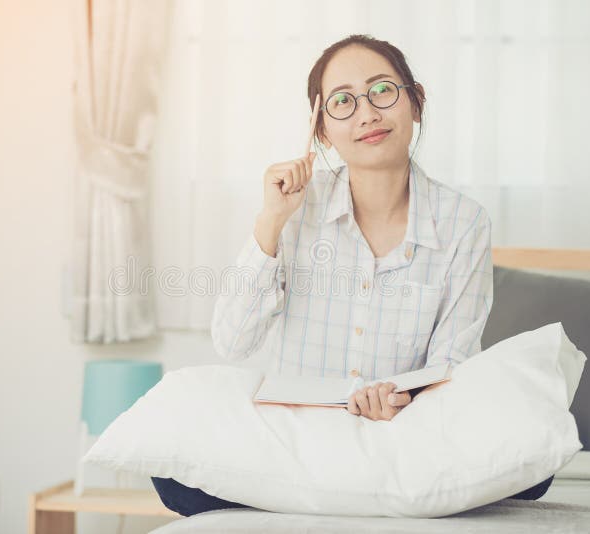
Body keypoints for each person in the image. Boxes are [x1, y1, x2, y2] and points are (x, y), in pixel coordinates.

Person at [153, 34, 553, 516]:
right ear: (320, 130)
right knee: (173, 467)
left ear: (416, 102)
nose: (367, 114)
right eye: (342, 101)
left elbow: (454, 362)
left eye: (383, 91)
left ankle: (336, 491)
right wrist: (271, 221)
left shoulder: (464, 221)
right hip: (303, 437)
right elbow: (233, 340)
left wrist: (401, 397)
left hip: (407, 435)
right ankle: (357, 490)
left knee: (535, 448)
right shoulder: (295, 210)